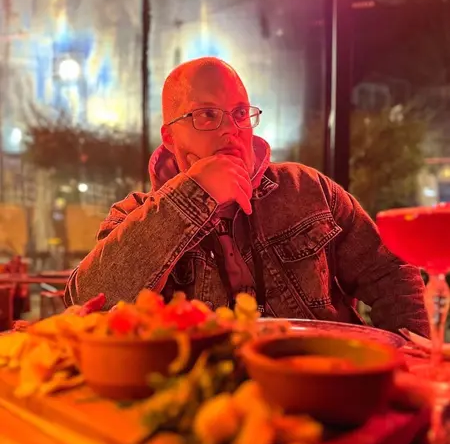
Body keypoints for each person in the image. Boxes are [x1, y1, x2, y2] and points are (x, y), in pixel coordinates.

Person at [65, 57, 429, 336]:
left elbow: (391, 274)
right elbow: (87, 302)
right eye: (207, 114)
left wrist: (407, 363)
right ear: (170, 137)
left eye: (240, 113)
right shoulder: (133, 215)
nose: (231, 129)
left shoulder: (307, 188)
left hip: (320, 382)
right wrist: (192, 196)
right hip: (208, 401)